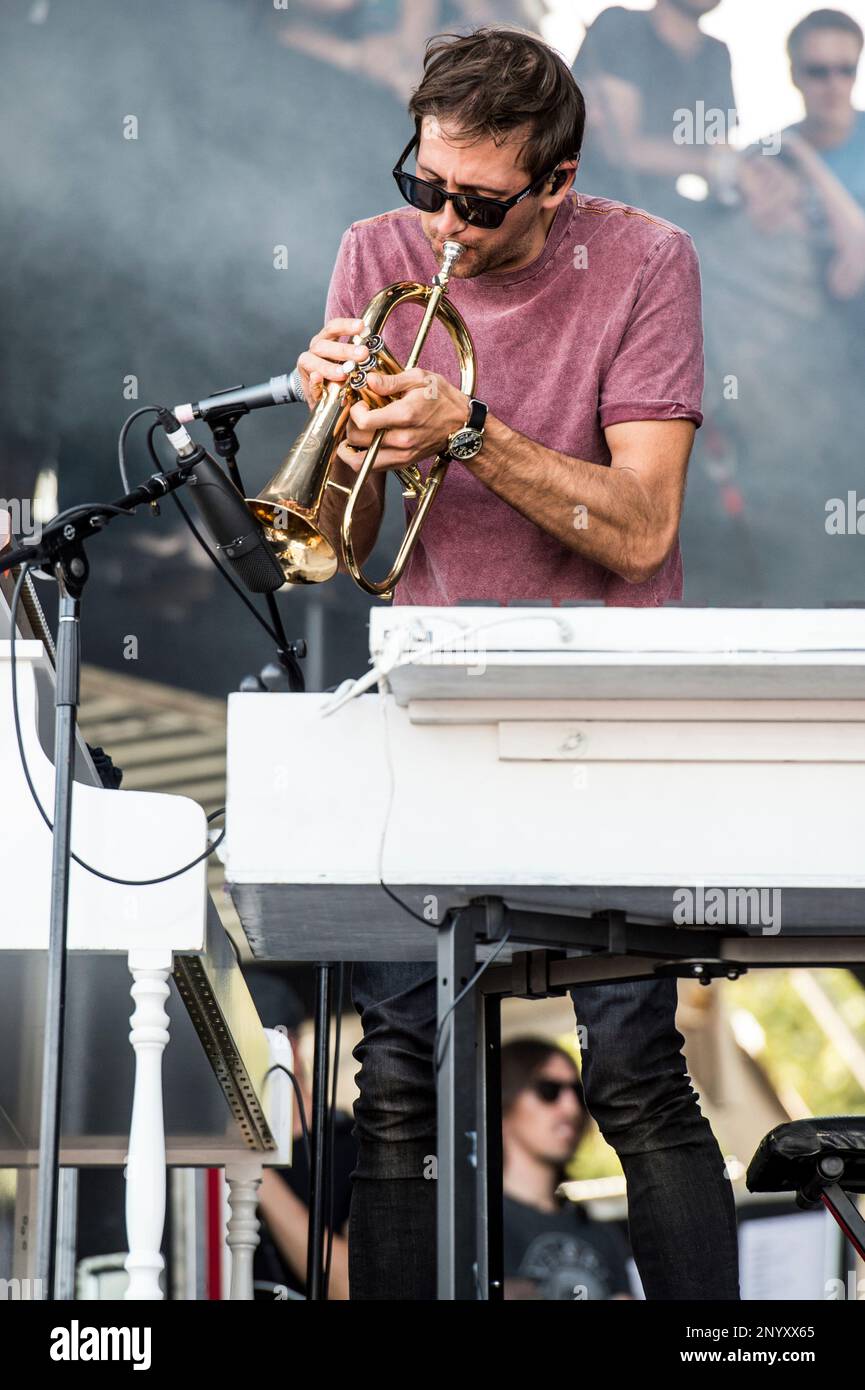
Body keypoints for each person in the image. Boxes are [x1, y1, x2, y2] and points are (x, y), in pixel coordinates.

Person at [294, 26, 740, 1300]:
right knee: (393, 1078)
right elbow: (342, 541)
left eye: (478, 203)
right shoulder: (373, 256)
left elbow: (645, 525)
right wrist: (344, 444)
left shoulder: (649, 258)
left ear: (556, 182)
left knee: (634, 1068)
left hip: (606, 699)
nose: (440, 226)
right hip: (431, 693)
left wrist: (472, 433)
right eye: (421, 185)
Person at [243, 967, 356, 1300]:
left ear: (288, 1046)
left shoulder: (354, 1147)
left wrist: (252, 1167)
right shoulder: (199, 1155)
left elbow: (351, 1287)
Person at [572, 0, 736, 226]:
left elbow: (722, 154)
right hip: (585, 213)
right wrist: (715, 166)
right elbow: (617, 147)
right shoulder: (621, 24)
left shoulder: (715, 55)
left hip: (656, 223)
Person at [501, 1038, 633, 1301]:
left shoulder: (602, 1234)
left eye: (578, 1093)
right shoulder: (470, 1226)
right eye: (549, 1090)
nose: (571, 1107)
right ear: (502, 1101)